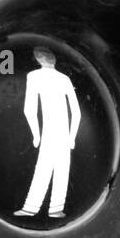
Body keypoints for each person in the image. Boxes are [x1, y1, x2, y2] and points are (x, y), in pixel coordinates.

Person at [16, 46, 81, 219]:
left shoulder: (34, 76)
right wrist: (72, 136)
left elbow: (29, 109)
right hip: (63, 131)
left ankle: (32, 208)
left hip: (50, 131)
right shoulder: (64, 78)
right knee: (60, 169)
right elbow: (76, 112)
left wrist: (36, 134)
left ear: (38, 60)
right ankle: (54, 209)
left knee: (44, 169)